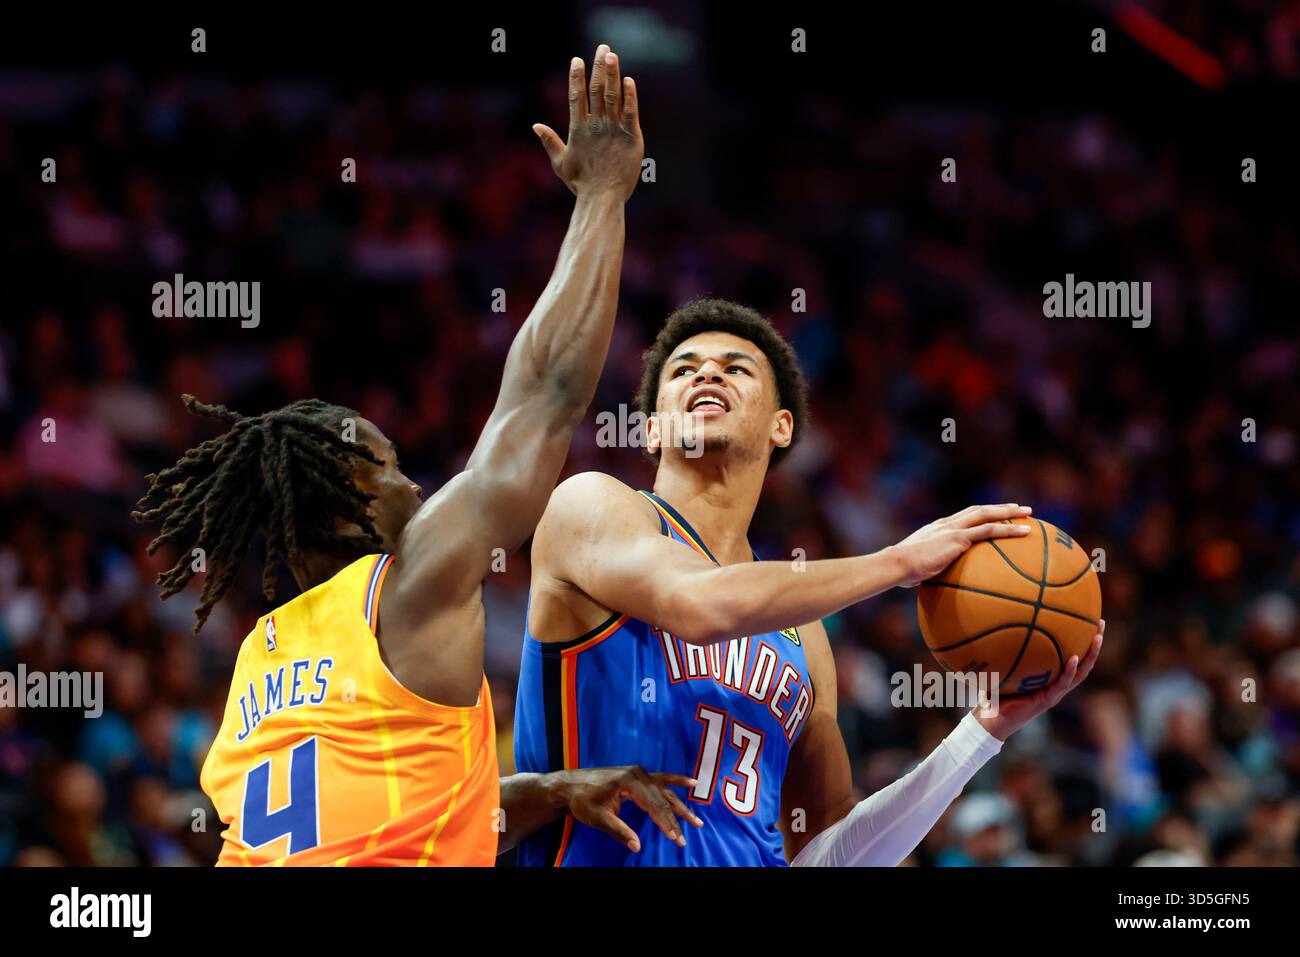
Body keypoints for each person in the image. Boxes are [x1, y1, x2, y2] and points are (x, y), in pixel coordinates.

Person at [135, 45, 696, 865]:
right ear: (343, 507)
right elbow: (544, 394)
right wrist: (604, 195)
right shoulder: (408, 581)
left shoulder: (261, 656)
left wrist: (542, 790)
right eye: (387, 465)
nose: (416, 481)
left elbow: (356, 823)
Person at [515, 298, 1104, 865]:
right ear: (649, 430)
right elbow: (698, 605)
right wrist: (900, 561)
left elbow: (833, 851)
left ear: (781, 426)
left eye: (735, 368)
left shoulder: (803, 635)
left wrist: (982, 732)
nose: (708, 374)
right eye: (684, 369)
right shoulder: (591, 506)